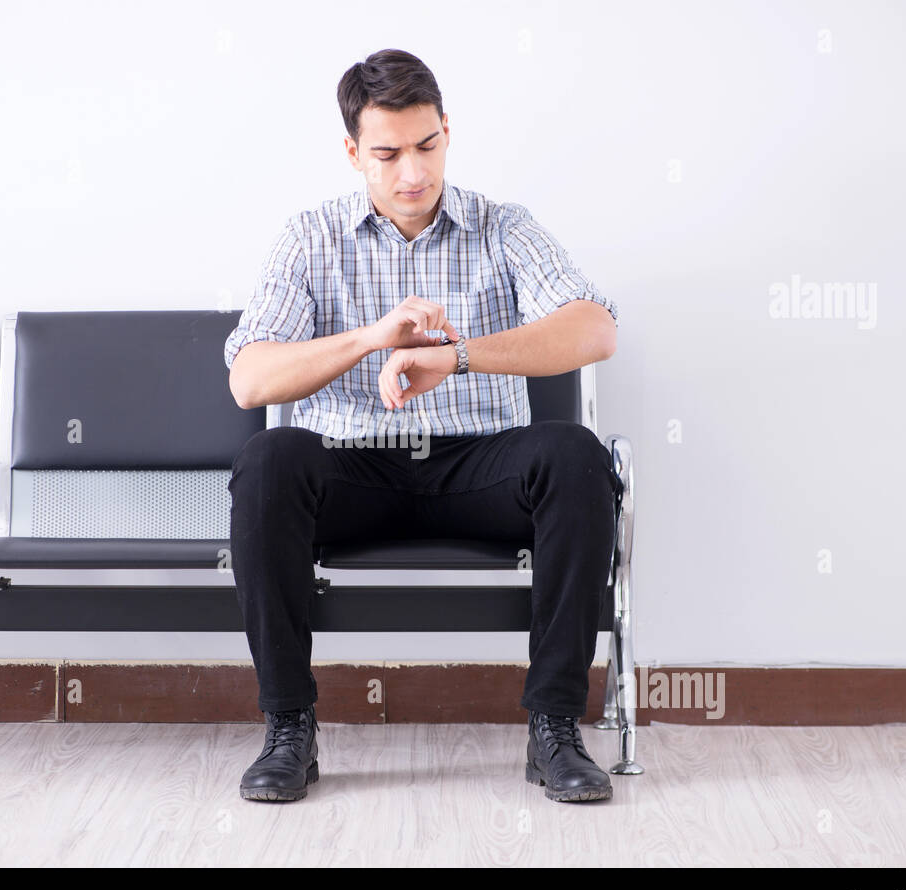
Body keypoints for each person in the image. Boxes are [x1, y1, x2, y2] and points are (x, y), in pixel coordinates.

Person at [223, 48, 622, 803]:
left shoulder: (501, 227)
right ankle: (288, 727)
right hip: (353, 469)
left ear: (447, 131)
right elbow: (251, 378)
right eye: (388, 153)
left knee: (575, 455)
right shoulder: (311, 236)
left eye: (427, 145)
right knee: (269, 459)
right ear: (353, 154)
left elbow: (595, 327)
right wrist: (377, 338)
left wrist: (459, 357)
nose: (413, 171)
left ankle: (556, 728)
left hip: (482, 468)